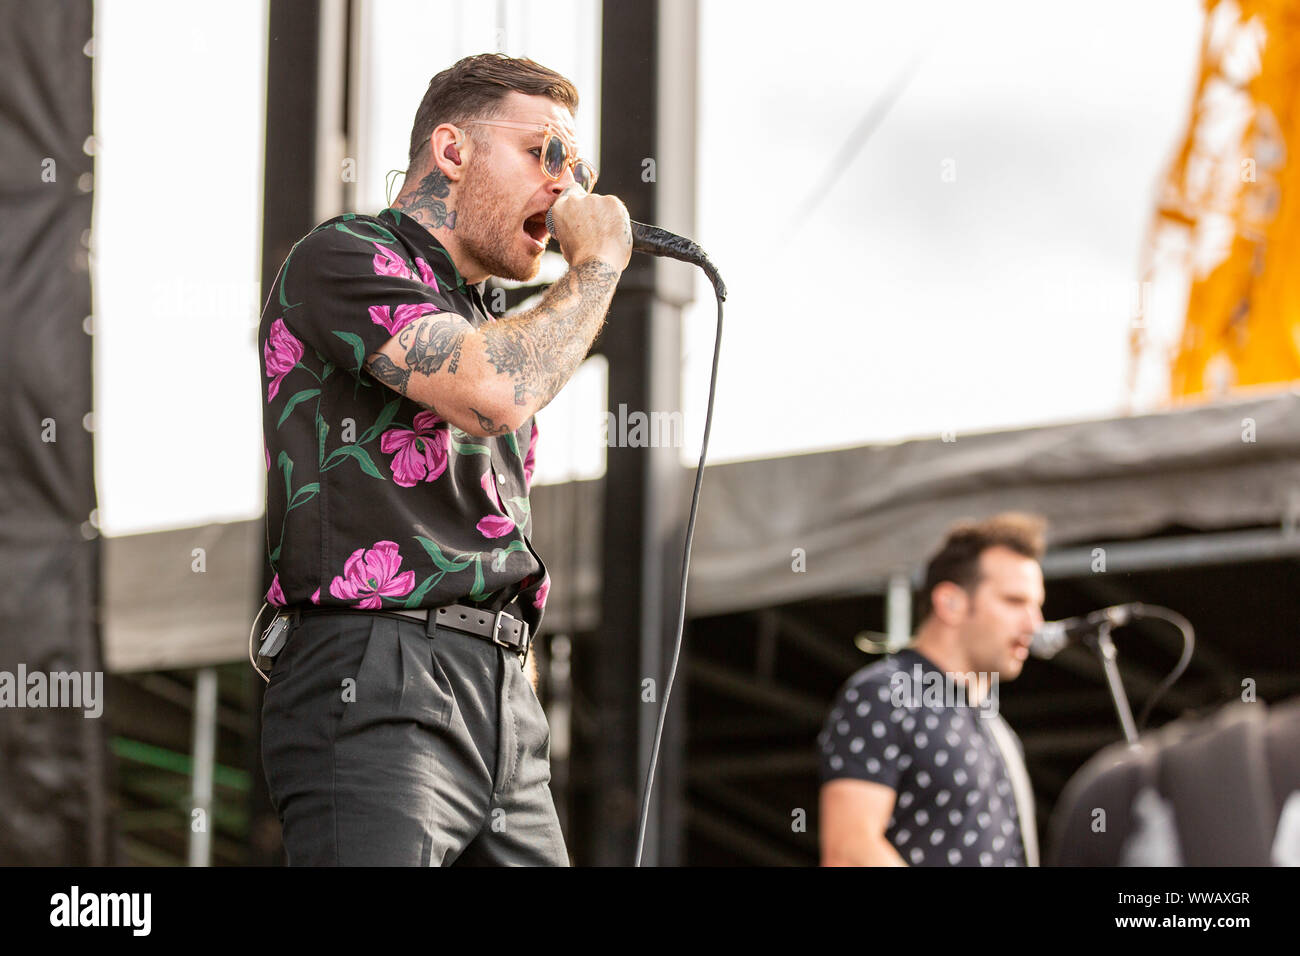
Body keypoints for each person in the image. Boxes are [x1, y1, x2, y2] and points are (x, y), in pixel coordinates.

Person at [256, 53, 631, 866]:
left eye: (580, 168)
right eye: (546, 153)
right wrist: (598, 268)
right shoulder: (346, 254)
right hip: (377, 670)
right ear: (453, 151)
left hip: (501, 690)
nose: (567, 186)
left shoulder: (487, 314)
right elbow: (491, 391)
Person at [817, 513, 1047, 866]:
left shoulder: (996, 727)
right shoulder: (885, 694)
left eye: (1037, 606)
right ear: (950, 602)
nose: (1035, 624)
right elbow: (851, 851)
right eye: (1014, 602)